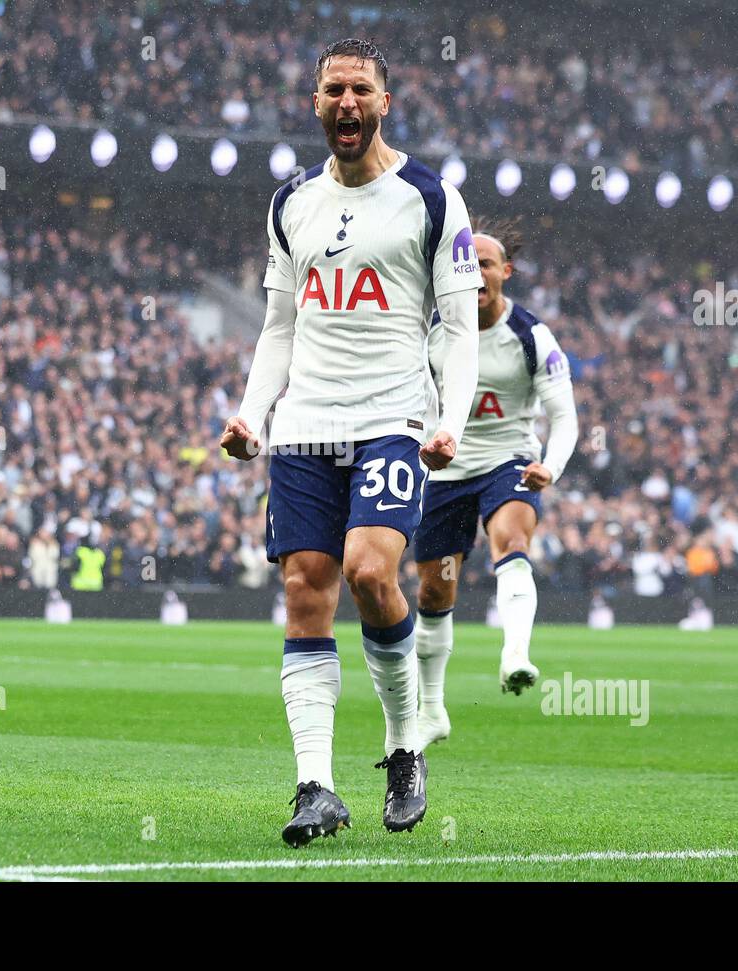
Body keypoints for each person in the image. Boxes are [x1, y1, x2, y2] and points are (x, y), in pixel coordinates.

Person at [220, 39, 481, 845]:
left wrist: (451, 421)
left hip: (392, 418)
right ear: (315, 101)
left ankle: (405, 749)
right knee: (306, 588)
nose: (346, 103)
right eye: (333, 89)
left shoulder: (432, 200)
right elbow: (278, 327)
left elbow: (462, 330)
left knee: (373, 571)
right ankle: (315, 788)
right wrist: (251, 412)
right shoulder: (289, 204)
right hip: (306, 425)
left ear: (384, 101)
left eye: (360, 89)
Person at [411, 219, 578, 745]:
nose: (477, 271)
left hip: (511, 462)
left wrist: (552, 464)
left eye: (486, 263)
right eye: (469, 263)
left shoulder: (532, 336)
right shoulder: (433, 330)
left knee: (511, 539)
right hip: (447, 470)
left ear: (505, 272)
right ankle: (432, 710)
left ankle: (515, 654)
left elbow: (565, 416)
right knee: (435, 588)